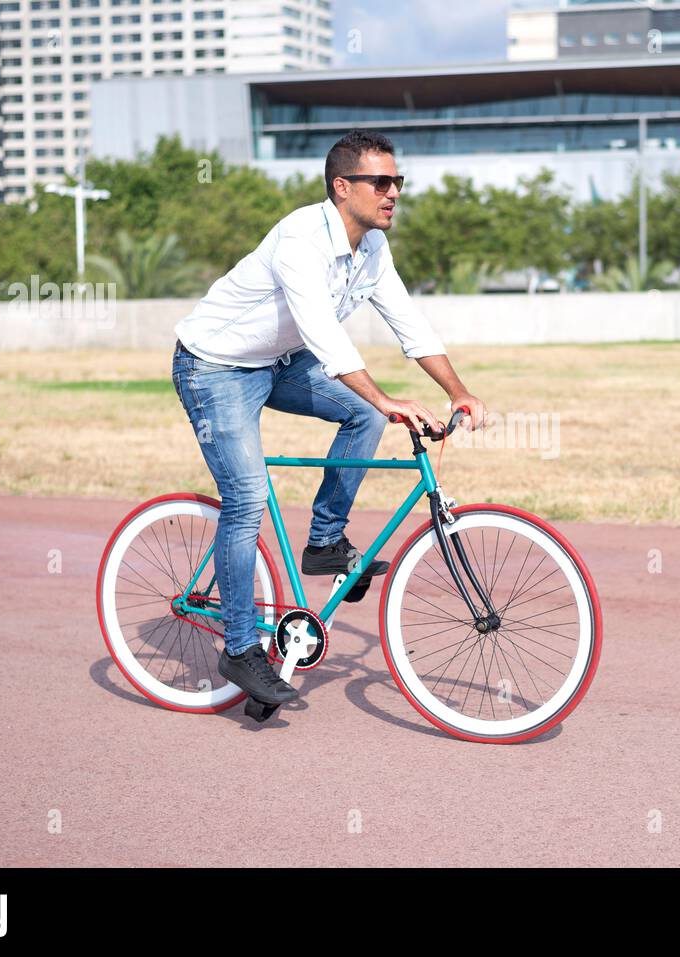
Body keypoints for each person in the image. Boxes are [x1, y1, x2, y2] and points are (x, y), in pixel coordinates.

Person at [171, 129, 486, 710]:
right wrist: (390, 399)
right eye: (381, 182)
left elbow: (408, 324)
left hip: (277, 363)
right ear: (343, 187)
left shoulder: (372, 249)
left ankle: (323, 541)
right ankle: (240, 648)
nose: (393, 192)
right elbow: (323, 333)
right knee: (245, 499)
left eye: (398, 182)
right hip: (213, 367)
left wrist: (458, 391)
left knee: (363, 413)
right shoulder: (300, 239)